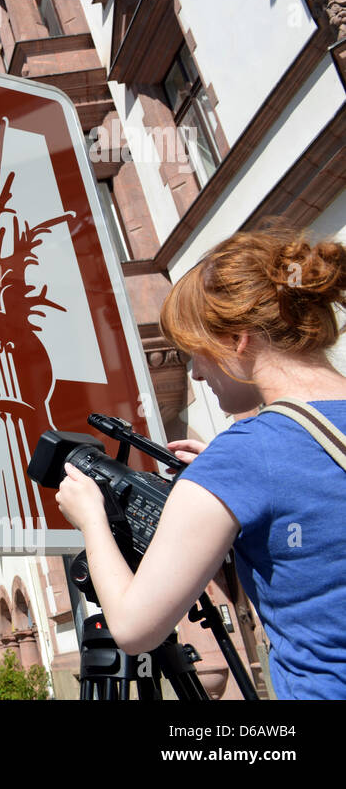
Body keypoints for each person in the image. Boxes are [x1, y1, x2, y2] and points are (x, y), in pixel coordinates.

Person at [56, 226, 346, 699]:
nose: (195, 370)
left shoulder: (245, 455)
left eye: (196, 350)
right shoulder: (248, 461)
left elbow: (133, 627)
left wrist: (91, 519)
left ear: (237, 339)